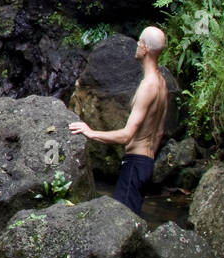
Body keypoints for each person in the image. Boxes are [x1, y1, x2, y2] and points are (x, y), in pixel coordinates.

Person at [68, 26, 169, 215]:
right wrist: (145, 162)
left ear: (145, 48)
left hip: (135, 163)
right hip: (145, 164)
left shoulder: (148, 86)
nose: (137, 45)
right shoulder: (161, 83)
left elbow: (126, 135)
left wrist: (90, 132)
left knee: (121, 222)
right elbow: (160, 131)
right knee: (128, 220)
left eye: (139, 41)